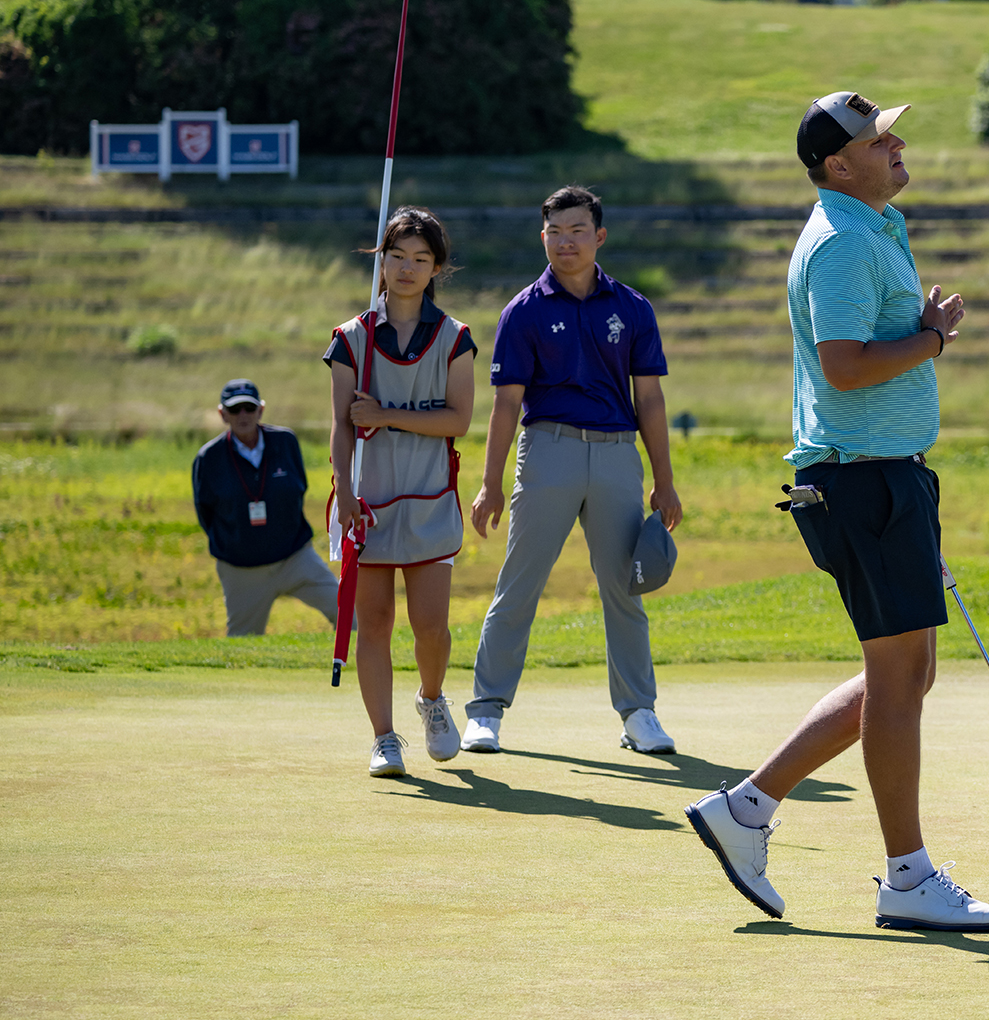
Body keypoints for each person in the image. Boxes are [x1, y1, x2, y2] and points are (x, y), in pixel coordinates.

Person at [682, 91, 989, 933]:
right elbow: (844, 368)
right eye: (878, 138)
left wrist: (927, 330)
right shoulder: (838, 245)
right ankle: (906, 879)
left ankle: (748, 808)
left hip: (881, 478)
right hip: (862, 481)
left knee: (905, 675)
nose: (898, 143)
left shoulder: (867, 226)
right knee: (901, 680)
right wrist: (936, 339)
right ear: (839, 163)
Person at [463, 186, 683, 756]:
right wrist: (490, 481)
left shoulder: (632, 308)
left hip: (615, 455)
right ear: (543, 237)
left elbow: (651, 400)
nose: (566, 242)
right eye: (555, 232)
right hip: (548, 451)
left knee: (623, 589)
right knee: (519, 584)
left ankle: (639, 713)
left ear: (599, 236)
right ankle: (486, 709)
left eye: (577, 231)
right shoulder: (524, 310)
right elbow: (506, 404)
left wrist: (665, 478)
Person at [324, 207, 477, 777]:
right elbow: (340, 426)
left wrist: (385, 413)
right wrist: (344, 493)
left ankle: (432, 699)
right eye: (396, 257)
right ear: (380, 261)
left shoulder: (454, 337)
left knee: (431, 626)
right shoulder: (350, 340)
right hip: (366, 500)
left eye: (420, 259)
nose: (407, 269)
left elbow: (457, 420)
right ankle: (383, 739)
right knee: (377, 621)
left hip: (430, 497)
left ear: (436, 267)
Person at [191, 378, 339, 636]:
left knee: (352, 616)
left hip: (295, 558)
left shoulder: (285, 441)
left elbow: (299, 488)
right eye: (235, 410)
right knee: (241, 646)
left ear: (261, 410)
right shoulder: (209, 458)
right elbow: (206, 513)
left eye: (249, 408)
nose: (243, 415)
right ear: (222, 414)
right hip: (242, 570)